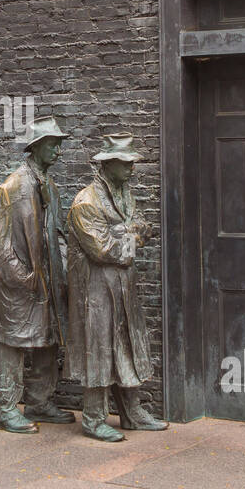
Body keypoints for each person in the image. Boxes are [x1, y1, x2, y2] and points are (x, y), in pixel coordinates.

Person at [66, 134, 168, 442]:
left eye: (132, 163)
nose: (131, 169)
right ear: (108, 165)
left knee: (127, 345)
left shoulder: (127, 195)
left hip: (123, 286)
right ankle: (94, 418)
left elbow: (143, 226)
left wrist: (125, 232)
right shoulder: (86, 202)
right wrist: (129, 235)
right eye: (125, 164)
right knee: (98, 350)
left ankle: (131, 413)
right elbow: (104, 249)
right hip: (96, 290)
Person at [0, 116, 76, 433]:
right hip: (19, 287)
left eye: (59, 145)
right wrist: (23, 278)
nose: (58, 151)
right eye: (53, 145)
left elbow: (60, 234)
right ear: (36, 148)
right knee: (13, 345)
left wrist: (62, 271)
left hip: (48, 282)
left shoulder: (50, 187)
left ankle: (40, 401)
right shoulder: (11, 188)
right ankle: (6, 408)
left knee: (49, 341)